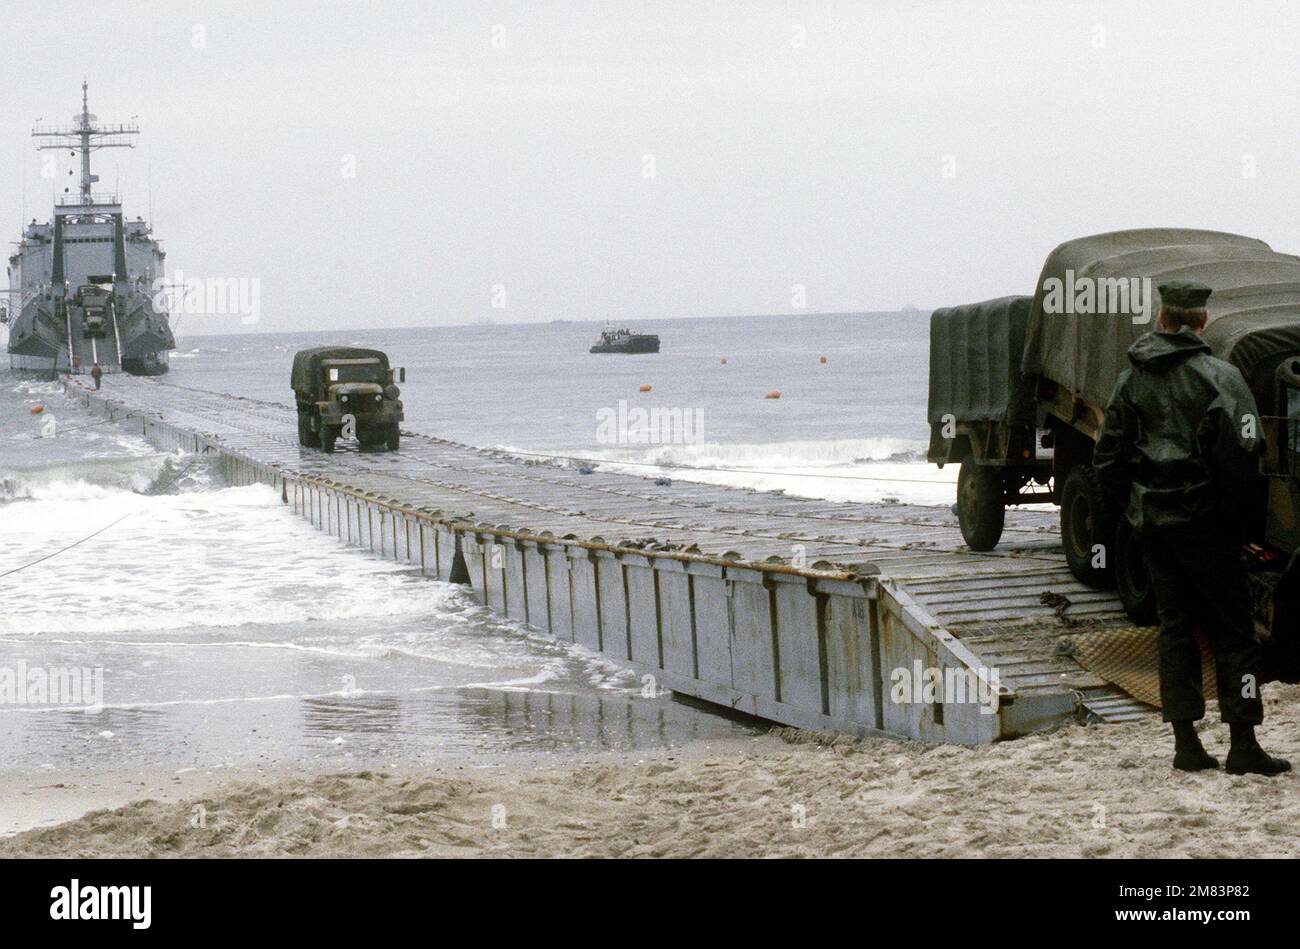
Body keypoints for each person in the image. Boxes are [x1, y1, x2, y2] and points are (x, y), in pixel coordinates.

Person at [1095, 280, 1289, 775]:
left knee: (1175, 630)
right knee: (1235, 635)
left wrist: (1137, 509)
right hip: (1210, 528)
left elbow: (1108, 460)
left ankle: (1186, 744)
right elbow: (1247, 453)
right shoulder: (1222, 377)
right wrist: (1237, 523)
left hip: (1156, 527)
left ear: (1162, 319)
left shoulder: (1129, 381)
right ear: (1202, 321)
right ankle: (1243, 743)